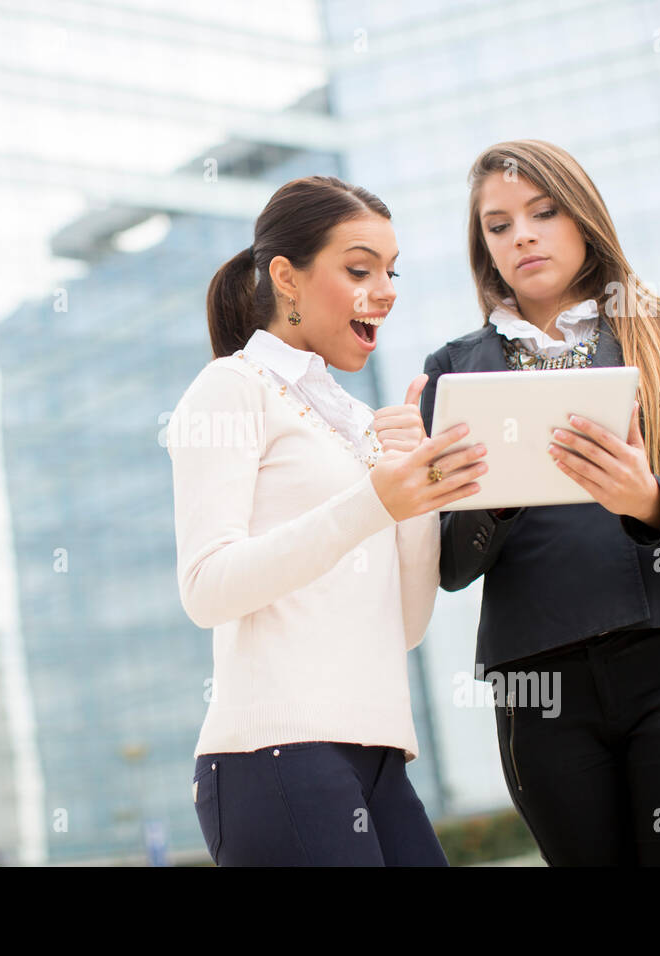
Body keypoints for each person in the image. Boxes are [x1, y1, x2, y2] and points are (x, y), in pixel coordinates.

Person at [419, 140, 660, 865]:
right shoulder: (453, 372)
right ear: (483, 246)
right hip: (537, 686)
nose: (523, 236)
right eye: (499, 224)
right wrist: (498, 498)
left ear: (584, 219)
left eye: (543, 212)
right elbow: (446, 566)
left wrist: (645, 499)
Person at [166, 175, 485, 865]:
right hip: (275, 753)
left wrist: (416, 495)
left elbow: (404, 625)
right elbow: (207, 585)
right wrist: (376, 500)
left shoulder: (356, 425)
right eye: (360, 268)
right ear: (286, 277)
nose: (387, 289)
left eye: (390, 272)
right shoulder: (230, 389)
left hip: (377, 754)